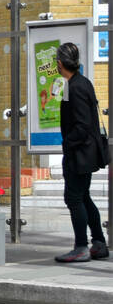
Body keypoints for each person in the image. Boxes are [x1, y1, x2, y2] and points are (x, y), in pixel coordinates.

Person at [54, 43, 109, 262]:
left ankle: (81, 246)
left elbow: (82, 125)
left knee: (74, 198)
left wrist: (67, 143)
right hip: (86, 152)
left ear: (60, 63)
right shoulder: (82, 83)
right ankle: (99, 242)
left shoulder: (75, 88)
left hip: (79, 154)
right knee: (83, 196)